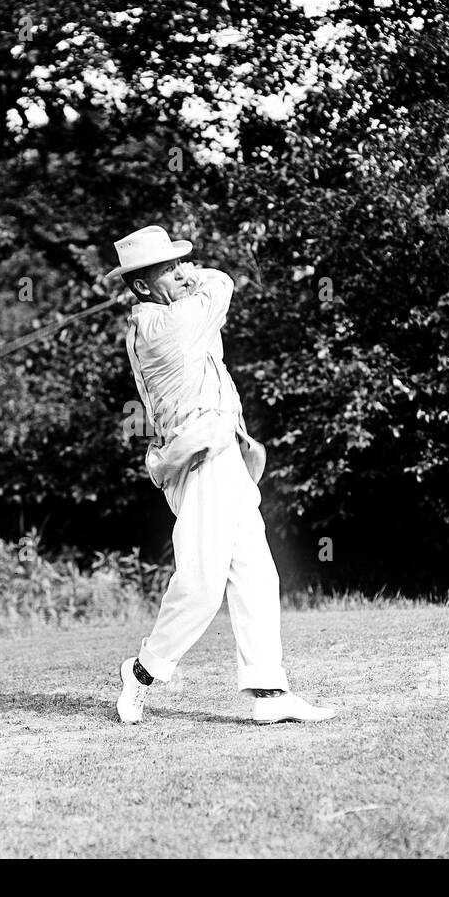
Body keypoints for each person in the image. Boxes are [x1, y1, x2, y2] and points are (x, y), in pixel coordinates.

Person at [108, 225, 336, 725]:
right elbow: (223, 284)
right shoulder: (164, 327)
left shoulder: (170, 313)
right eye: (168, 268)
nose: (180, 272)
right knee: (202, 584)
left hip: (224, 451)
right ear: (143, 286)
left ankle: (270, 693)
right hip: (200, 459)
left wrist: (178, 276)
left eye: (178, 263)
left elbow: (210, 295)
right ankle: (143, 672)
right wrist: (196, 273)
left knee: (257, 571)